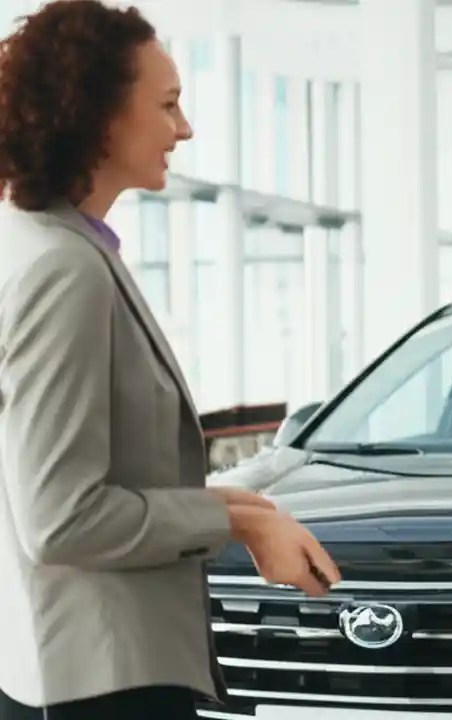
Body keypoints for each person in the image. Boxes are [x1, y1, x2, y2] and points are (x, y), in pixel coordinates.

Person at [0, 2, 341, 719]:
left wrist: (250, 511)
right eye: (167, 104)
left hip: (77, 663)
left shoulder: (52, 245)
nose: (184, 129)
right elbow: (60, 518)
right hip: (97, 678)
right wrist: (234, 521)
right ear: (98, 116)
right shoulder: (62, 268)